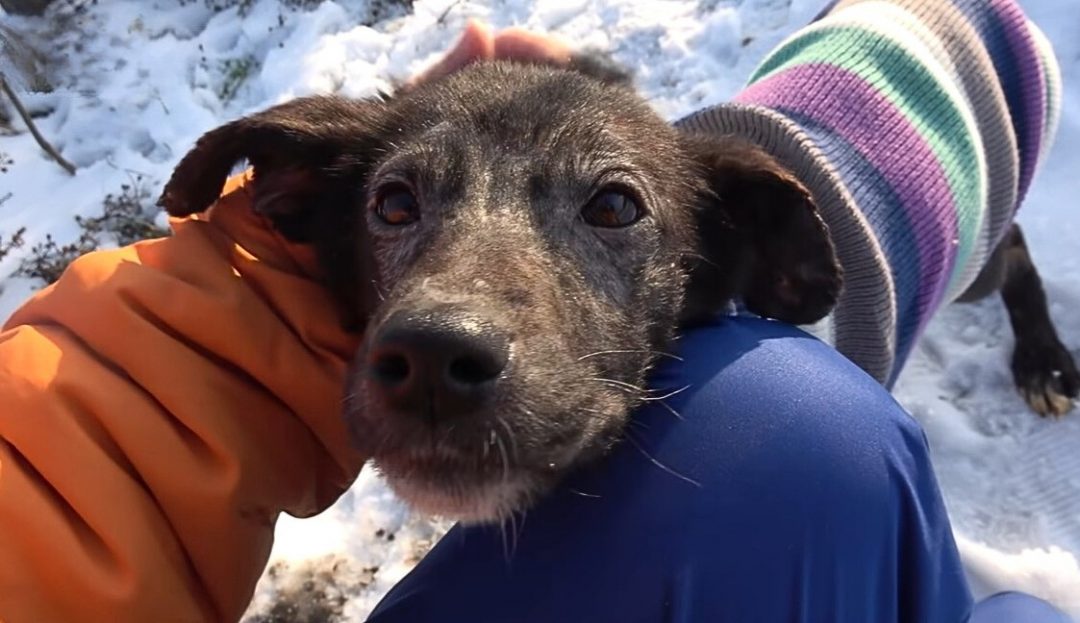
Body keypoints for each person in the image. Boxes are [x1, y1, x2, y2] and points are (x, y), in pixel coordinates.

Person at [0, 14, 1071, 623]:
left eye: (611, 209)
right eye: (399, 203)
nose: (447, 310)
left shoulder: (800, 411)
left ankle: (1028, 308)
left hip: (989, 80)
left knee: (981, 277)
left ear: (749, 262)